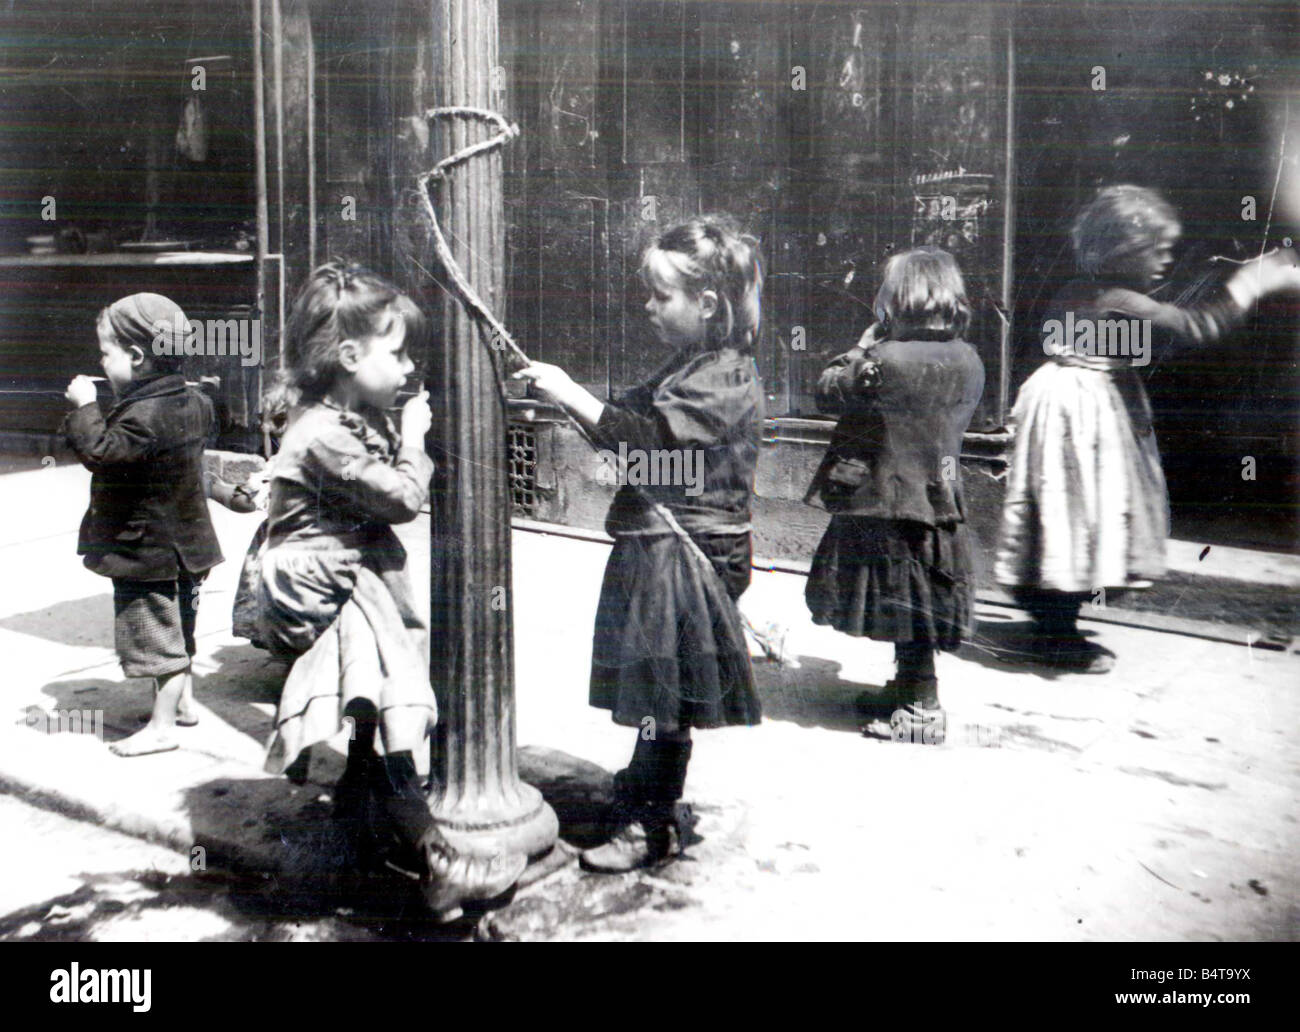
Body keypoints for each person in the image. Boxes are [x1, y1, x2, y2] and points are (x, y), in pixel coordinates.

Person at [257, 260, 524, 910]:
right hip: (336, 589)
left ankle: (352, 847)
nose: (408, 370)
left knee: (365, 720)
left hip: (349, 576)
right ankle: (439, 864)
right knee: (386, 710)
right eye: (398, 354)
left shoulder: (340, 416)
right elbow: (402, 497)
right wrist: (414, 441)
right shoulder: (323, 435)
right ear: (349, 355)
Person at [515, 215, 765, 872]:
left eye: (661, 295)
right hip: (663, 545)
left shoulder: (724, 377)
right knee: (661, 686)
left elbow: (646, 444)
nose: (649, 307)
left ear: (707, 303)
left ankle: (651, 822)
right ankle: (645, 783)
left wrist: (570, 391)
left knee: (664, 690)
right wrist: (566, 395)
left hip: (690, 554)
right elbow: (627, 425)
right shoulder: (693, 365)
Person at [995, 185, 1300, 672]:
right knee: (1086, 512)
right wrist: (1249, 285)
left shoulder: (1080, 289)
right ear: (1123, 252)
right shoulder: (1120, 300)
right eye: (1155, 251)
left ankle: (1050, 610)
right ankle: (1058, 632)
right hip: (1086, 413)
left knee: (1065, 511)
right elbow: (1193, 328)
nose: (1165, 261)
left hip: (1060, 402)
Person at [804, 247, 985, 745]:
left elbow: (827, 391)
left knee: (901, 600)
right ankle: (909, 687)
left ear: (897, 299)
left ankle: (919, 710)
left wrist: (861, 349)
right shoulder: (967, 358)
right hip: (937, 501)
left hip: (885, 502)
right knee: (919, 600)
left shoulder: (880, 362)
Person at [63, 293, 224, 757]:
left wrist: (85, 407)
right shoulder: (193, 402)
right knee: (181, 630)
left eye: (105, 353)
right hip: (188, 547)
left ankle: (161, 729)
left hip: (147, 552)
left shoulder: (141, 415)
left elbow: (101, 453)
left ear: (136, 357)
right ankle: (184, 706)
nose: (100, 361)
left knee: (155, 639)